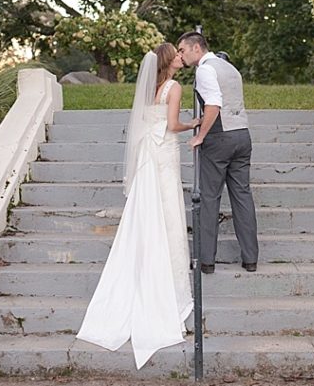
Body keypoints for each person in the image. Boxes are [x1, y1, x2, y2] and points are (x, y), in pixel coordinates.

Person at [76, 43, 199, 369]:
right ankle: (170, 289)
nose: (181, 57)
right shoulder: (174, 87)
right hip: (165, 154)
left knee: (147, 214)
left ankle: (146, 267)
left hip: (148, 155)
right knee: (169, 214)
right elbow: (172, 125)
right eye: (177, 54)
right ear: (169, 60)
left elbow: (147, 123)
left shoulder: (149, 89)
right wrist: (193, 124)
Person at [176, 31, 258, 274]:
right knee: (242, 196)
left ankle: (206, 261)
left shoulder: (204, 70)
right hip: (242, 135)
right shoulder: (230, 68)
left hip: (219, 138)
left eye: (182, 50)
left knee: (209, 198)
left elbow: (214, 104)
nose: (181, 55)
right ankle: (250, 259)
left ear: (196, 48)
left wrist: (200, 136)